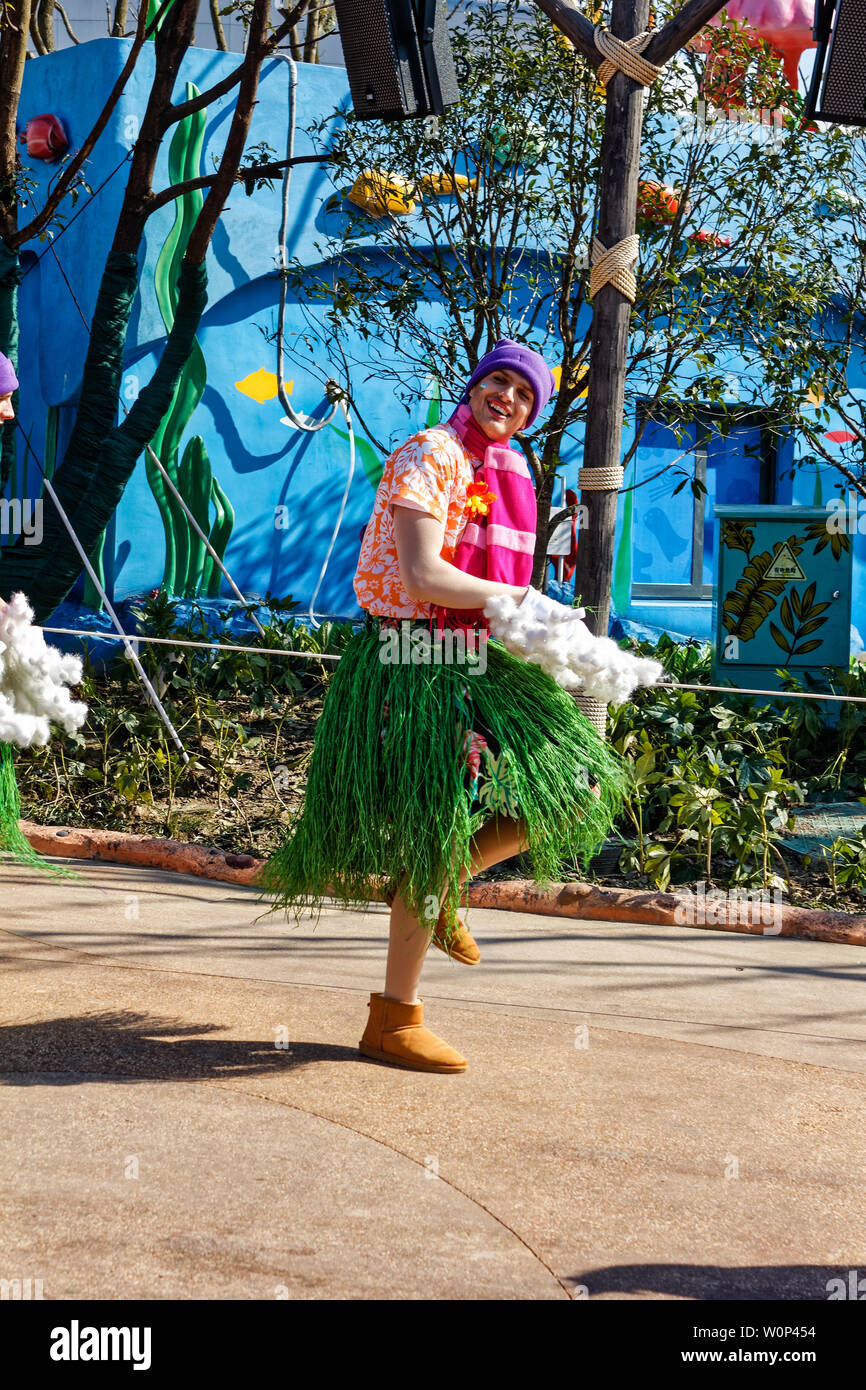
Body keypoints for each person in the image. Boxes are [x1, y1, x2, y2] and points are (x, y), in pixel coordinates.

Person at [260, 340, 635, 1074]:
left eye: (526, 395)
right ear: (476, 384)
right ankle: (394, 1019)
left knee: (577, 791)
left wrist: (530, 625)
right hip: (413, 656)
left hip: (480, 655)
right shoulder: (431, 452)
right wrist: (526, 602)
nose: (510, 399)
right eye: (499, 382)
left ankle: (443, 882)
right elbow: (424, 575)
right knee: (438, 826)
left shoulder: (511, 468)